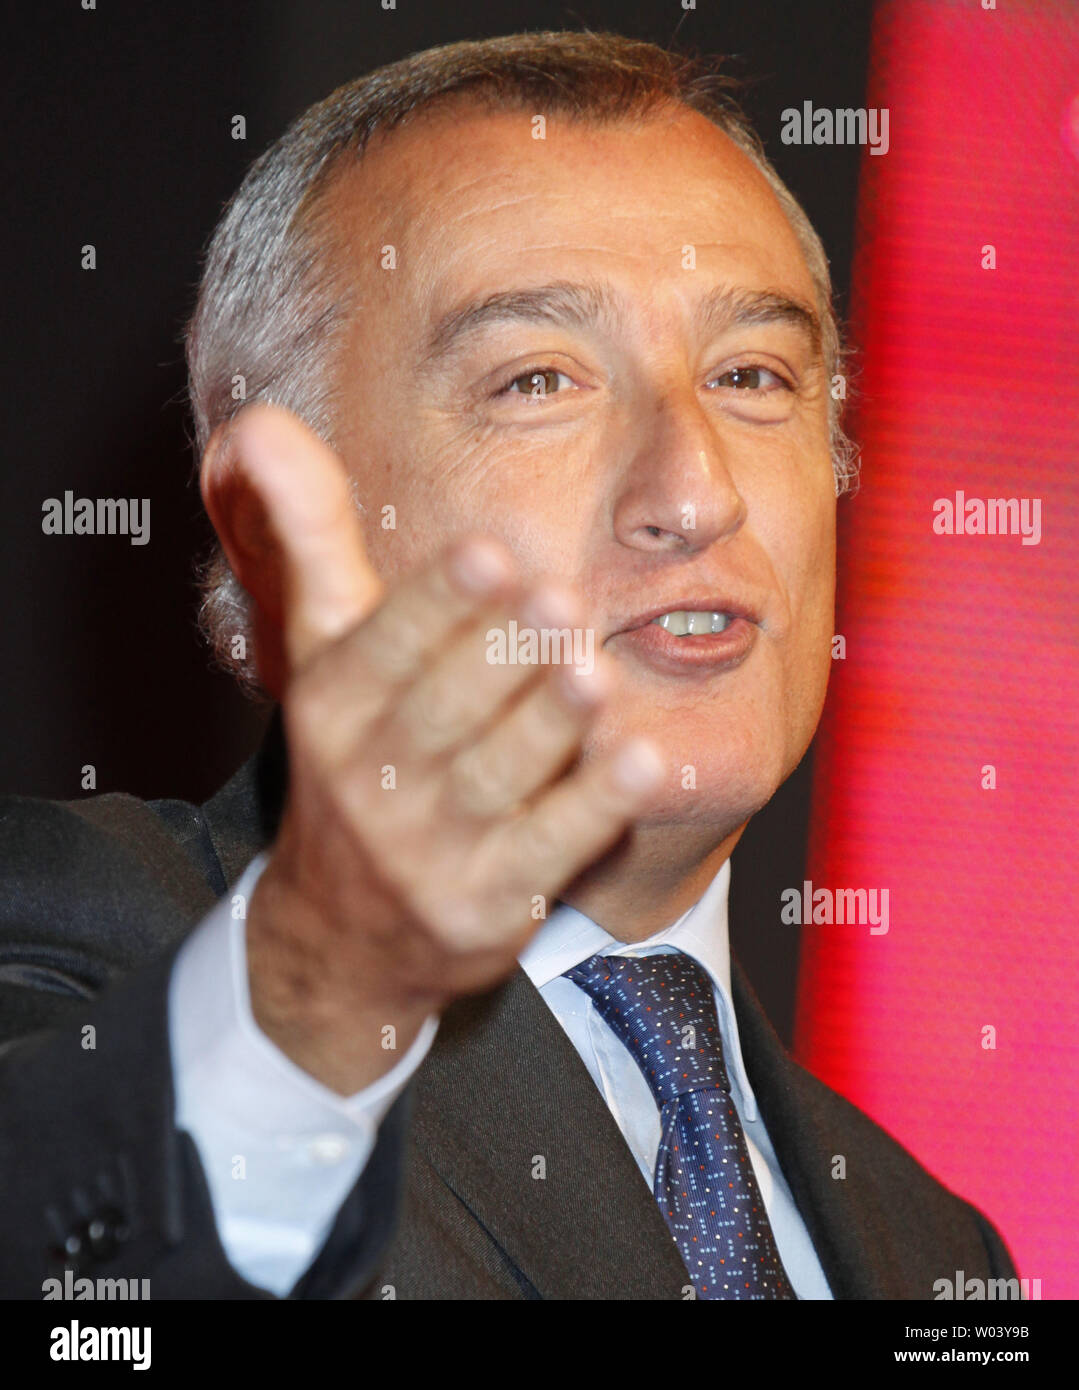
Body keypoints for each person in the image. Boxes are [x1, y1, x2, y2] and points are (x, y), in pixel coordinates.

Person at [0, 30, 1017, 1300]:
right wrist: (320, 996)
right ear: (269, 532)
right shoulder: (75, 940)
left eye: (751, 375)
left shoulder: (939, 1251)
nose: (694, 493)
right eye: (539, 380)